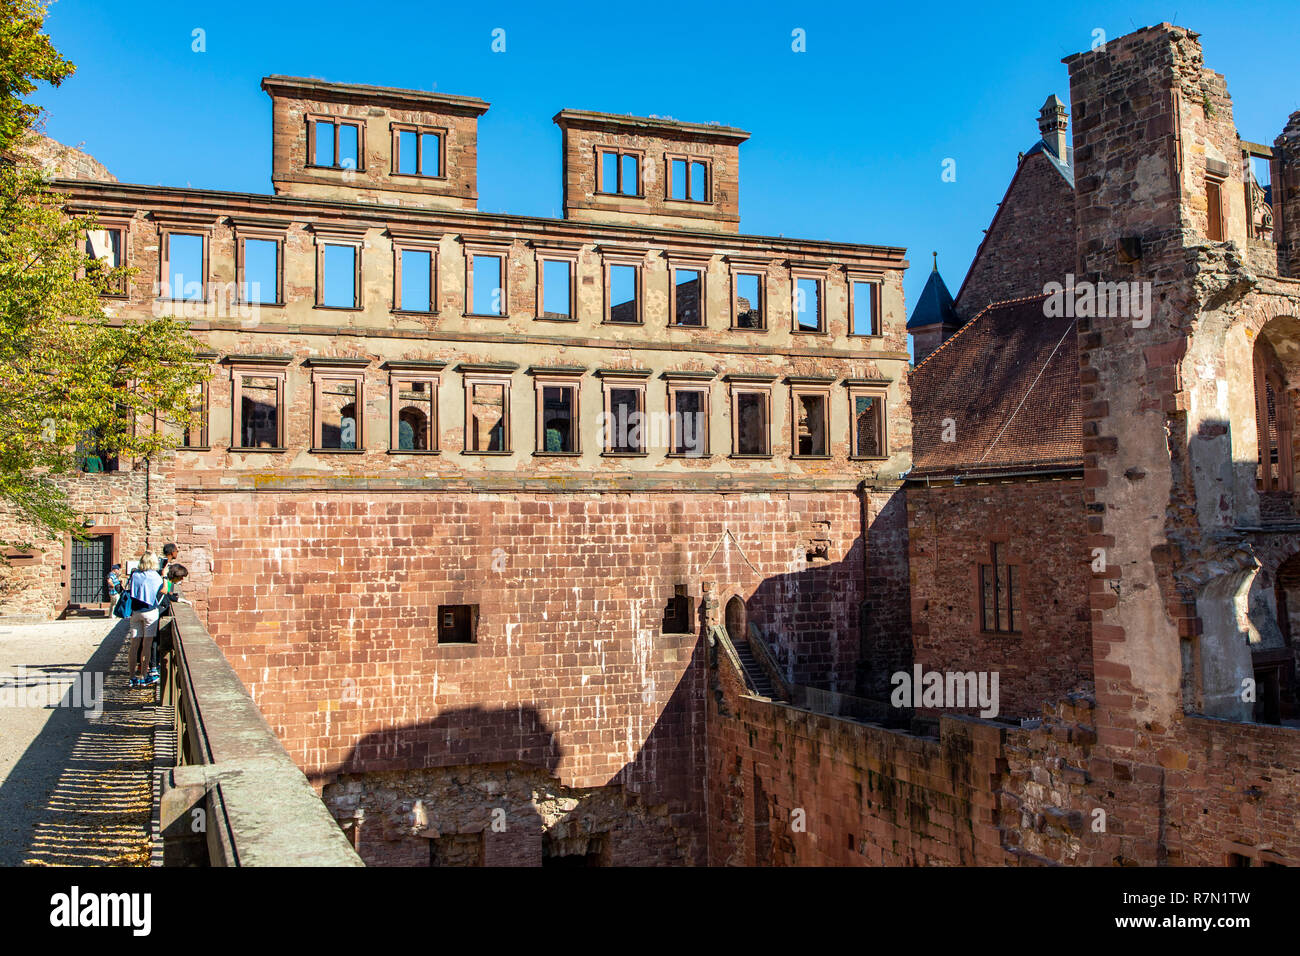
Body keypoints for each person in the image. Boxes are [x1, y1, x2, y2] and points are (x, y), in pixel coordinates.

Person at [126, 551, 164, 688]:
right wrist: (165, 577)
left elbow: (131, 590)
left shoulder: (135, 574)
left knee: (134, 645)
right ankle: (143, 676)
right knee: (146, 645)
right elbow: (164, 591)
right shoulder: (156, 576)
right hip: (150, 612)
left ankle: (131, 677)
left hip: (135, 612)